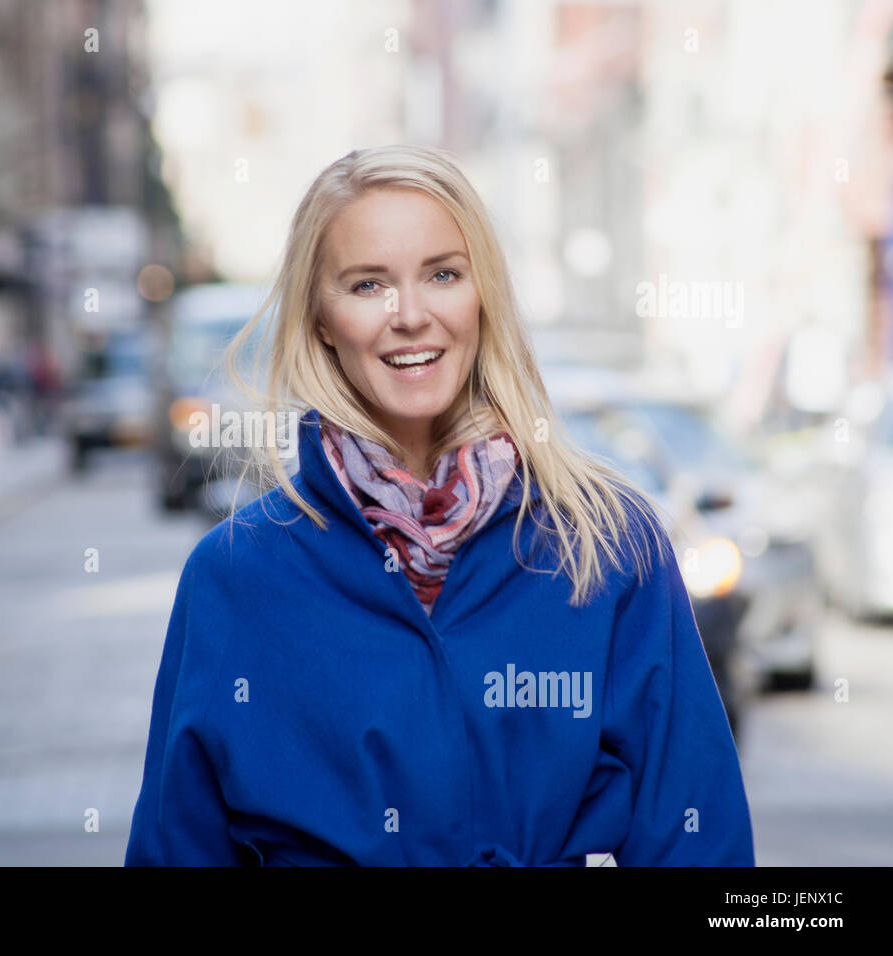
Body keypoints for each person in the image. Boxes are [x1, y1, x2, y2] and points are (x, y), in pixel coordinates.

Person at [124, 144, 754, 866]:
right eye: (367, 285)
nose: (411, 315)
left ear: (482, 296)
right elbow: (178, 850)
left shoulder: (607, 545)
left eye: (443, 275)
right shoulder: (234, 577)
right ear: (320, 318)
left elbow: (699, 839)